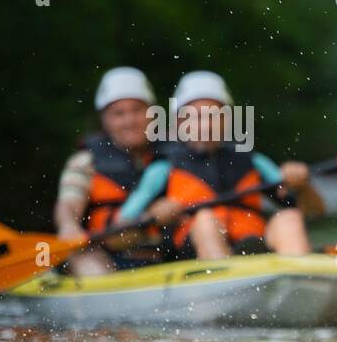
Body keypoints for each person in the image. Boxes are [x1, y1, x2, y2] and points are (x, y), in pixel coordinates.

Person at [117, 71, 325, 259]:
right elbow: (121, 228)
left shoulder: (254, 162)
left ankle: (300, 280)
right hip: (196, 254)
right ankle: (226, 281)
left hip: (253, 245)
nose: (206, 126)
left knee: (288, 217)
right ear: (178, 124)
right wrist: (152, 215)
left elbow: (314, 214)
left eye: (214, 116)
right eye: (195, 117)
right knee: (206, 219)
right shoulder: (162, 169)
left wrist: (303, 186)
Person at [52, 67, 165, 275]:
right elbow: (68, 203)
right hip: (104, 255)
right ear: (105, 120)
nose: (129, 121)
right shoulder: (85, 162)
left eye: (137, 110)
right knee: (86, 263)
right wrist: (68, 225)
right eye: (119, 114)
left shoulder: (173, 156)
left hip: (165, 256)